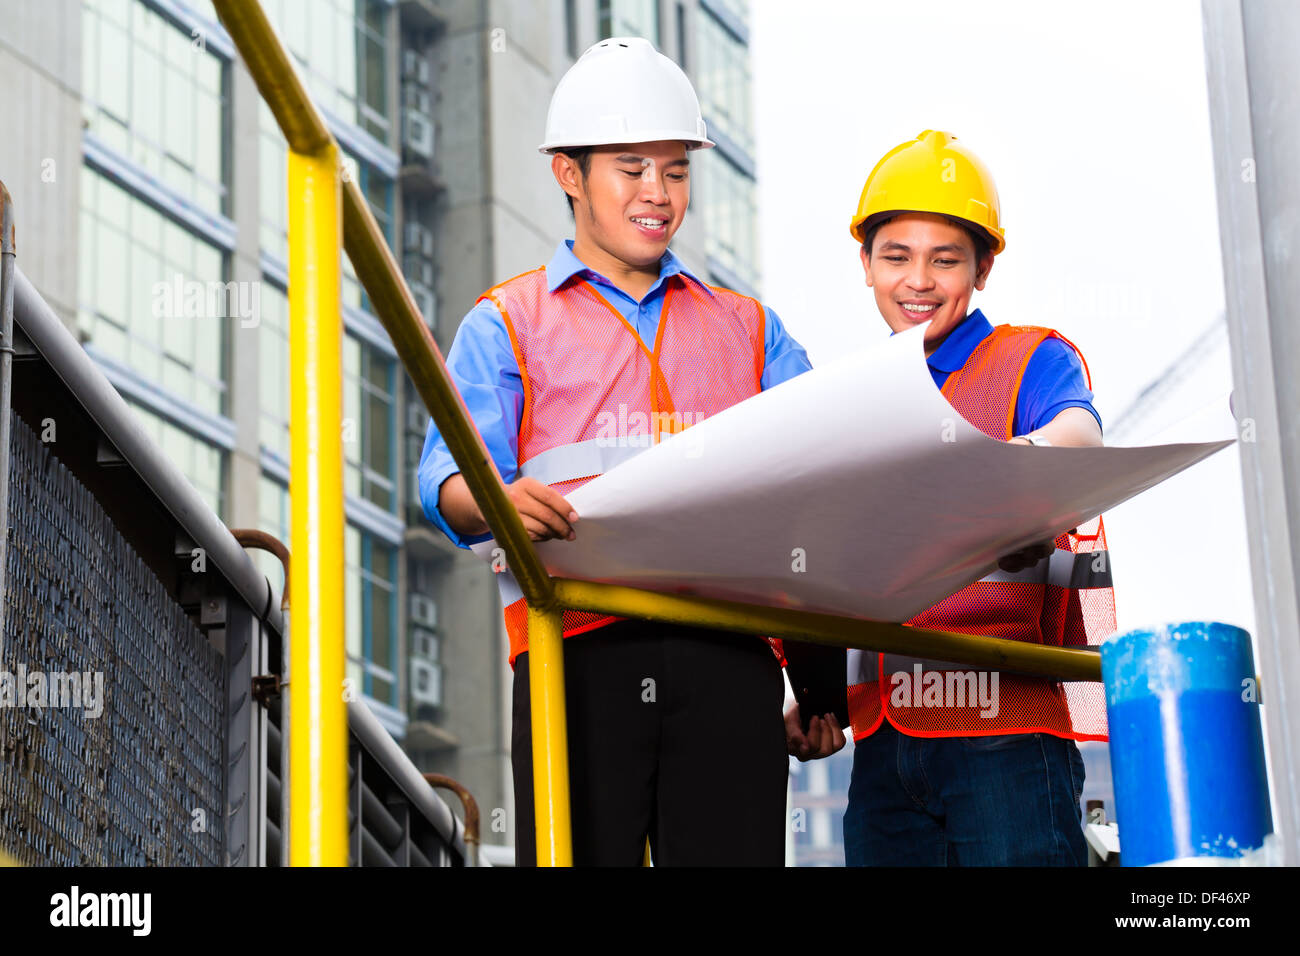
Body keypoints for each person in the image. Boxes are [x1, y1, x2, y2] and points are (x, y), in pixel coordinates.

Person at [418, 37, 841, 867]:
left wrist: (820, 689)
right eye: (632, 168)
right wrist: (496, 501)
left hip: (730, 651)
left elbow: (819, 486)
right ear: (569, 174)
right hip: (576, 654)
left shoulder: (751, 331)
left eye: (675, 171)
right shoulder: (507, 323)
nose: (658, 192)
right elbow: (447, 484)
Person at [841, 130, 1116, 866]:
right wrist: (814, 695)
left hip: (1007, 734)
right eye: (896, 256)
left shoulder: (1029, 360)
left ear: (984, 268)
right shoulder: (854, 402)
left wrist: (992, 478)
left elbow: (1079, 442)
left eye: (946, 259)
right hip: (885, 743)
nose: (918, 280)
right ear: (865, 265)